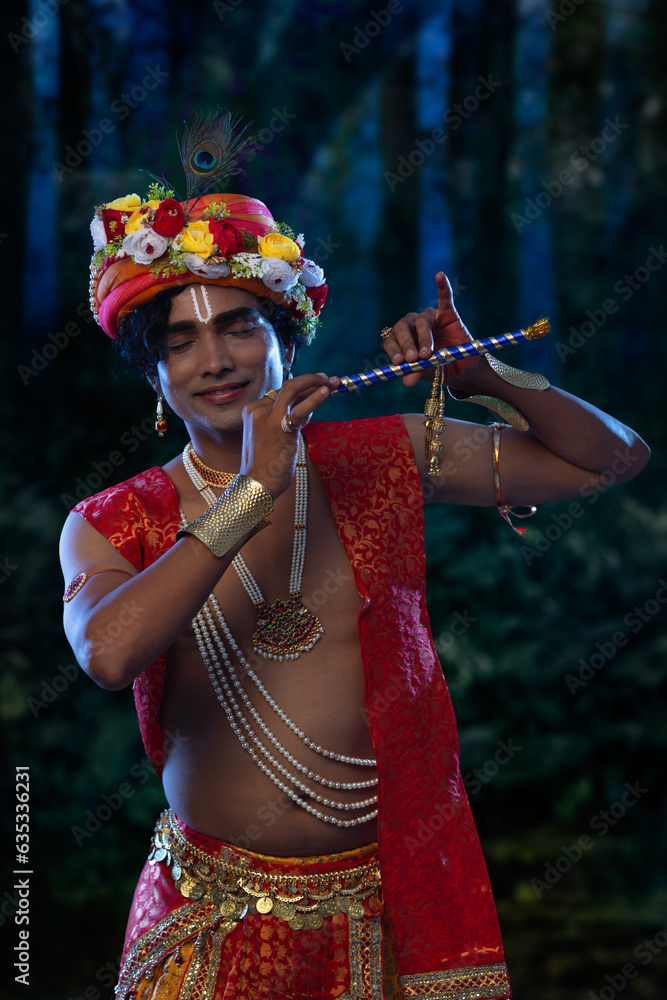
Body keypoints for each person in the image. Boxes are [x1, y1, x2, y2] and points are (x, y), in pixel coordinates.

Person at [60, 148, 649, 999]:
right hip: (211, 919)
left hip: (387, 909)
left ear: (285, 339)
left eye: (238, 326)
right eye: (180, 341)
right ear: (154, 377)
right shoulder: (113, 520)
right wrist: (252, 492)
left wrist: (483, 371)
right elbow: (109, 655)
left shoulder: (382, 457)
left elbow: (610, 463)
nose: (215, 359)